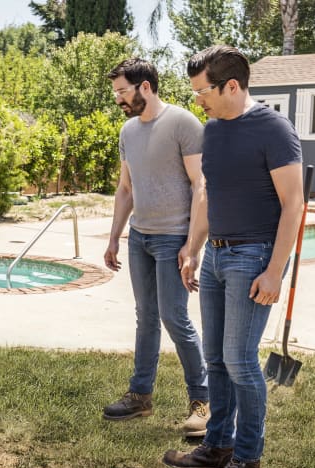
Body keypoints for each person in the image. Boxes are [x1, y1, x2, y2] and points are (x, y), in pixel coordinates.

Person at [162, 45, 303, 468]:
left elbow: (293, 203)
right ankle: (217, 446)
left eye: (202, 92)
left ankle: (247, 463)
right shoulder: (214, 131)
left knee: (241, 362)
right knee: (217, 360)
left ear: (232, 86)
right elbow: (206, 192)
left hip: (253, 256)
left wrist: (275, 270)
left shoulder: (274, 129)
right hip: (219, 255)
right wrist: (193, 248)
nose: (197, 100)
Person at [101, 58, 209, 438]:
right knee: (145, 316)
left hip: (173, 239)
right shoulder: (128, 131)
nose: (118, 99)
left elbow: (201, 186)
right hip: (140, 237)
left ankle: (202, 400)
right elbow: (126, 188)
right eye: (116, 92)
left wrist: (192, 246)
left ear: (145, 87)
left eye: (122, 91)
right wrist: (115, 236)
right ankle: (140, 395)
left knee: (173, 317)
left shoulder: (182, 123)